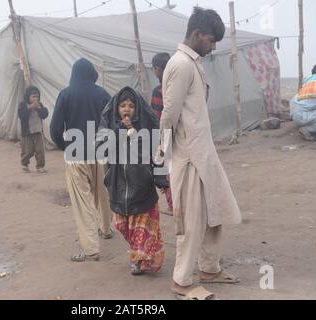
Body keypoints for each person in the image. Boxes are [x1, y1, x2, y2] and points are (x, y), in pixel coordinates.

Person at [159, 7, 241, 299]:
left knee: (212, 215)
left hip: (203, 154)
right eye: (210, 40)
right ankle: (181, 280)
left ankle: (209, 268)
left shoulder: (193, 62)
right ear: (196, 35)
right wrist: (165, 157)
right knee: (192, 221)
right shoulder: (180, 64)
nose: (213, 46)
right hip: (190, 157)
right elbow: (169, 114)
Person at [97, 87, 167, 275]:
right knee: (121, 225)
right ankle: (141, 254)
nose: (126, 109)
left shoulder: (144, 127)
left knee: (140, 228)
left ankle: (137, 260)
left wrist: (161, 178)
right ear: (116, 108)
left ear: (136, 109)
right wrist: (118, 131)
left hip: (142, 187)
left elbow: (156, 154)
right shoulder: (110, 126)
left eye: (130, 105)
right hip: (118, 189)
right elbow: (101, 149)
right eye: (122, 105)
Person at [50, 58, 114, 262]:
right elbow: (113, 123)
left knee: (83, 201)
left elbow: (55, 128)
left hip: (76, 155)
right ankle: (106, 229)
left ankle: (91, 249)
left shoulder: (66, 94)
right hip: (101, 153)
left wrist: (65, 146)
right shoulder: (102, 94)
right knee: (103, 194)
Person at [151, 52, 173, 215]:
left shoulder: (159, 91)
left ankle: (173, 205)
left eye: (154, 69)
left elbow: (156, 118)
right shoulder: (177, 86)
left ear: (158, 69)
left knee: (165, 174)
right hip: (182, 135)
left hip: (166, 138)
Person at [18, 85, 49, 173]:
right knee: (28, 151)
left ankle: (40, 166)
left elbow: (45, 114)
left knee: (40, 150)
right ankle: (24, 164)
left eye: (37, 97)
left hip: (38, 131)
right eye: (33, 96)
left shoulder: (40, 105)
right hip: (27, 133)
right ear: (28, 97)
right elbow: (21, 115)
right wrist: (30, 107)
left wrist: (39, 108)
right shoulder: (23, 105)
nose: (35, 99)